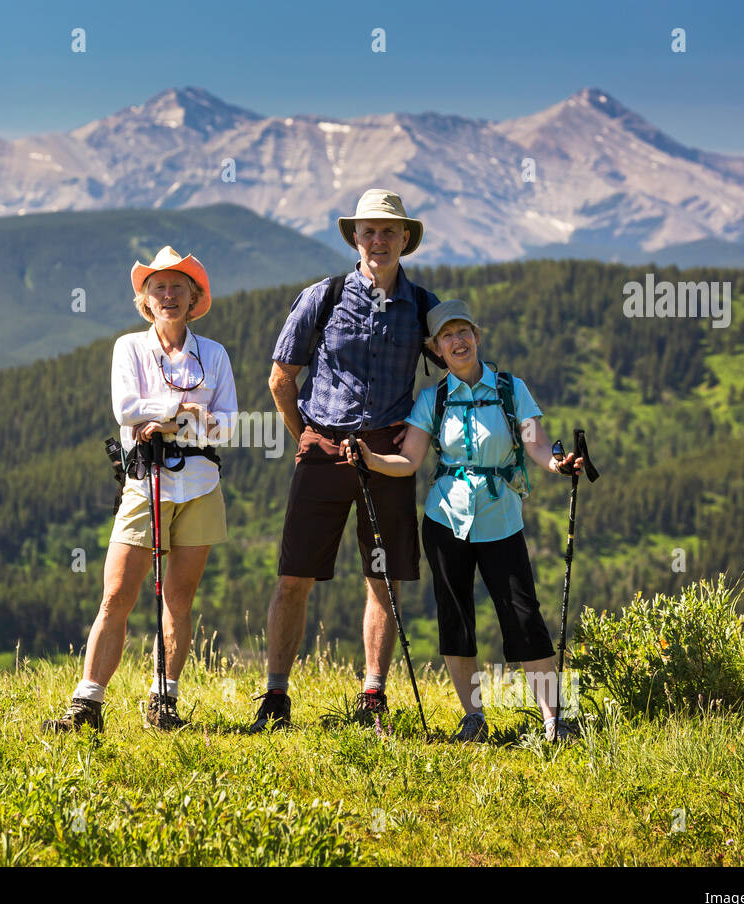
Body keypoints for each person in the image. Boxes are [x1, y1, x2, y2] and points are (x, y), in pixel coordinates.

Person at [340, 299, 585, 743]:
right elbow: (409, 459)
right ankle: (473, 718)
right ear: (435, 348)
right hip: (445, 520)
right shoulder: (432, 400)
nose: (459, 341)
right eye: (448, 336)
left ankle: (554, 720)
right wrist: (371, 459)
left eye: (464, 331)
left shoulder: (511, 389)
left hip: (501, 521)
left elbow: (536, 442)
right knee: (456, 619)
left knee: (524, 616)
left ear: (477, 335)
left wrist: (557, 464)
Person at [249, 188, 440, 733]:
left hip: (388, 452)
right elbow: (280, 377)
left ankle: (372, 697)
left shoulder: (425, 307)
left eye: (389, 232)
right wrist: (305, 439)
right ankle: (276, 697)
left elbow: (459, 361)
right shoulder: (323, 296)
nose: (378, 240)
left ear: (406, 240)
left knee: (383, 579)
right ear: (354, 237)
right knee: (293, 577)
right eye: (369, 231)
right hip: (324, 446)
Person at [43, 246, 238, 733]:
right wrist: (190, 414)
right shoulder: (129, 348)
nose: (168, 295)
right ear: (145, 300)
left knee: (179, 600)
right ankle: (87, 703)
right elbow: (127, 409)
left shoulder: (214, 354)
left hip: (199, 486)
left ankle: (163, 702)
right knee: (116, 597)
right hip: (144, 483)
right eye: (159, 288)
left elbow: (230, 426)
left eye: (178, 288)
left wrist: (166, 420)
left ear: (195, 298)